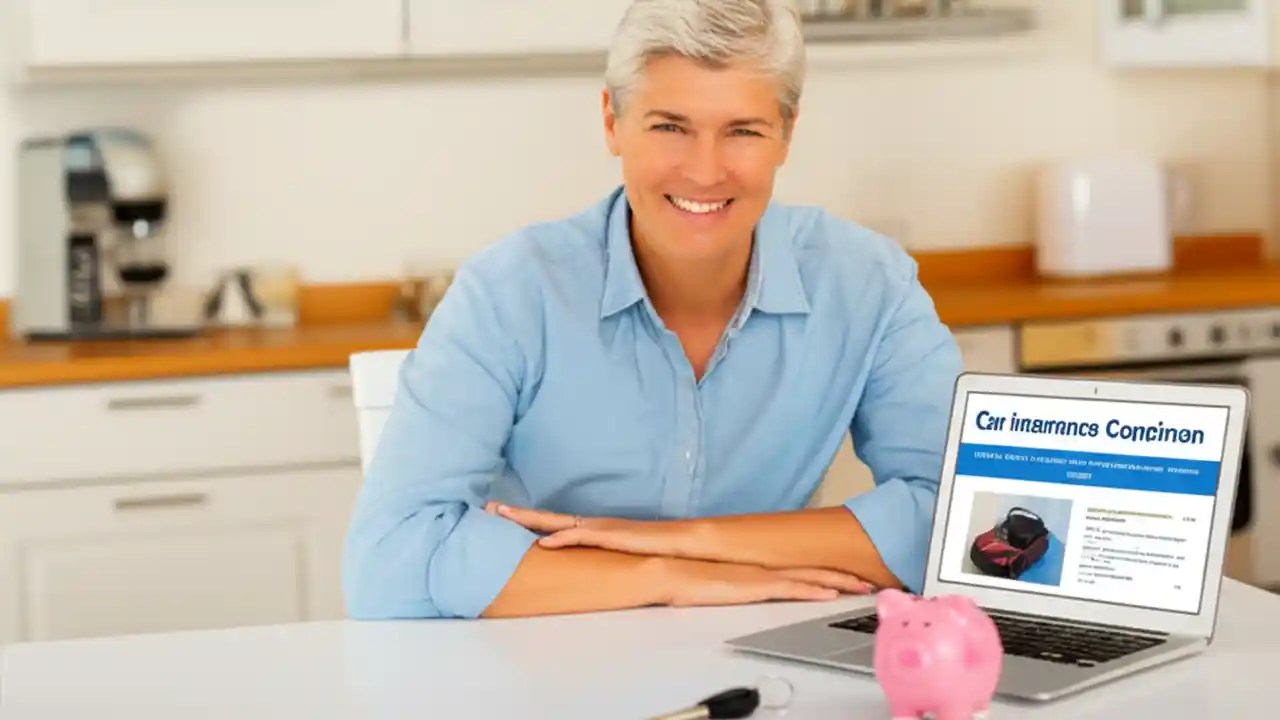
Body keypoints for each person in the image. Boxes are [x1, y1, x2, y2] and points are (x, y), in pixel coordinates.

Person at [342, 0, 963, 620]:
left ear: (787, 135)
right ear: (612, 122)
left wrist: (694, 543)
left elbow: (962, 518)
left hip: (766, 667)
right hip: (544, 661)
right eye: (670, 126)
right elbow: (388, 562)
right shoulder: (509, 293)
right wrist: (665, 576)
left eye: (742, 131)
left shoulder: (868, 285)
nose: (704, 169)